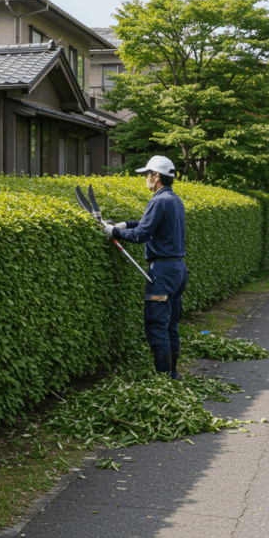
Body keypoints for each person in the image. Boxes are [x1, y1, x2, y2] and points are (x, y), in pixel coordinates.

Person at [104, 156, 188, 381]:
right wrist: (122, 225)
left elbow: (141, 235)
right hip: (178, 269)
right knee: (170, 323)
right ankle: (173, 374)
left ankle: (163, 379)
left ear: (157, 176)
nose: (146, 179)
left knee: (157, 324)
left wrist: (114, 233)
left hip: (162, 272)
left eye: (147, 175)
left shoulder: (159, 201)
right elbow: (146, 225)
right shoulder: (174, 200)